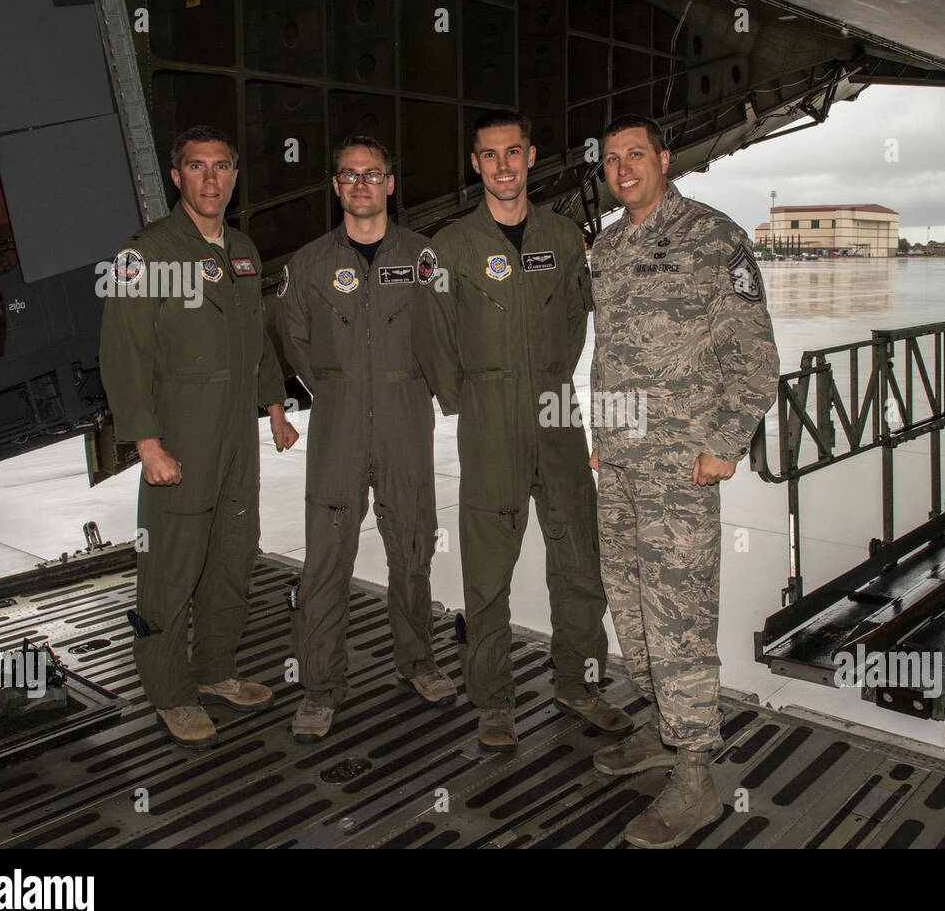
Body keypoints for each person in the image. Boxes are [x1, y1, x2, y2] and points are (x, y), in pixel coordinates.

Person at [588, 114, 779, 847]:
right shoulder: (606, 246)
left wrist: (728, 442)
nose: (623, 167)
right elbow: (611, 352)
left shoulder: (714, 237)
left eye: (635, 154)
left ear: (665, 159)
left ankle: (695, 771)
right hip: (623, 465)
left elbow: (756, 355)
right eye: (611, 159)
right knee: (629, 612)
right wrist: (604, 436)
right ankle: (663, 731)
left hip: (681, 469)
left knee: (679, 622)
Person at [413, 110, 631, 751]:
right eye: (489, 155)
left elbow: (578, 318)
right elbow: (431, 333)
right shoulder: (444, 249)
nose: (503, 166)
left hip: (557, 416)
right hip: (488, 422)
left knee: (579, 561)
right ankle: (494, 702)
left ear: (531, 157)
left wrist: (557, 381)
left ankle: (580, 683)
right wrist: (467, 399)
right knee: (487, 574)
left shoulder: (565, 237)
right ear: (474, 164)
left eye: (514, 152)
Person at [100, 124, 299, 749]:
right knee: (171, 567)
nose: (211, 179)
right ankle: (170, 692)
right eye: (197, 167)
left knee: (233, 557)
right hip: (181, 436)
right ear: (176, 176)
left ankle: (214, 671)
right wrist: (146, 443)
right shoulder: (148, 254)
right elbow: (122, 354)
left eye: (221, 167)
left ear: (235, 175)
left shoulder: (241, 249)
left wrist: (275, 404)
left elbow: (255, 332)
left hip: (237, 434)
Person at [278, 135, 454, 742]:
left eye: (372, 175)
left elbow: (446, 333)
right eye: (349, 176)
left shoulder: (426, 258)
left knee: (412, 548)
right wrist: (337, 386)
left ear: (390, 183)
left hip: (407, 416)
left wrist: (417, 388)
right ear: (335, 186)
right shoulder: (308, 264)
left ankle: (418, 662)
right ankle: (320, 688)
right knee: (327, 557)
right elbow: (294, 339)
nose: (361, 185)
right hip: (339, 421)